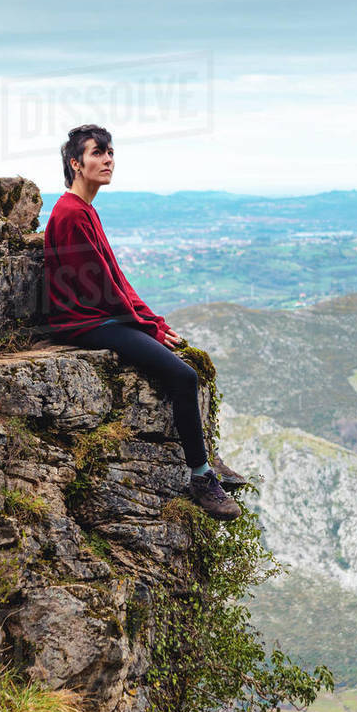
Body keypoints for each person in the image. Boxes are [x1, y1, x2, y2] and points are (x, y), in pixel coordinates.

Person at [43, 123, 245, 521]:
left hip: (101, 316)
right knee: (184, 376)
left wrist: (151, 319)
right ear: (75, 164)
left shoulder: (84, 209)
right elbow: (100, 288)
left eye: (110, 152)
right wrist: (146, 326)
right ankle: (201, 476)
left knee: (185, 357)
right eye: (97, 153)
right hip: (85, 324)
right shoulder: (70, 213)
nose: (108, 160)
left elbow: (116, 277)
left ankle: (205, 454)